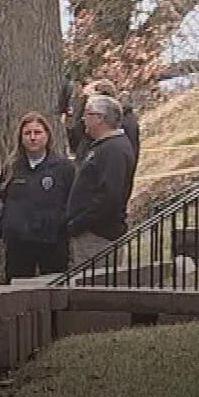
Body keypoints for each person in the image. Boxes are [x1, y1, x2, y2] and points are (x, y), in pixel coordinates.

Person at [0, 111, 75, 279]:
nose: (32, 138)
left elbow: (72, 202)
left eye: (37, 132)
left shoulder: (63, 168)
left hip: (52, 242)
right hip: (19, 244)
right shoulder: (11, 167)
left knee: (54, 290)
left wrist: (61, 224)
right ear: (21, 137)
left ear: (47, 135)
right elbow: (0, 199)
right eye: (27, 133)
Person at [64, 93, 138, 267]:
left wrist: (80, 222)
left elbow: (109, 196)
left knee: (91, 286)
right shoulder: (102, 146)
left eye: (87, 114)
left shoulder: (114, 150)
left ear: (99, 118)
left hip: (98, 236)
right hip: (89, 234)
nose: (83, 120)